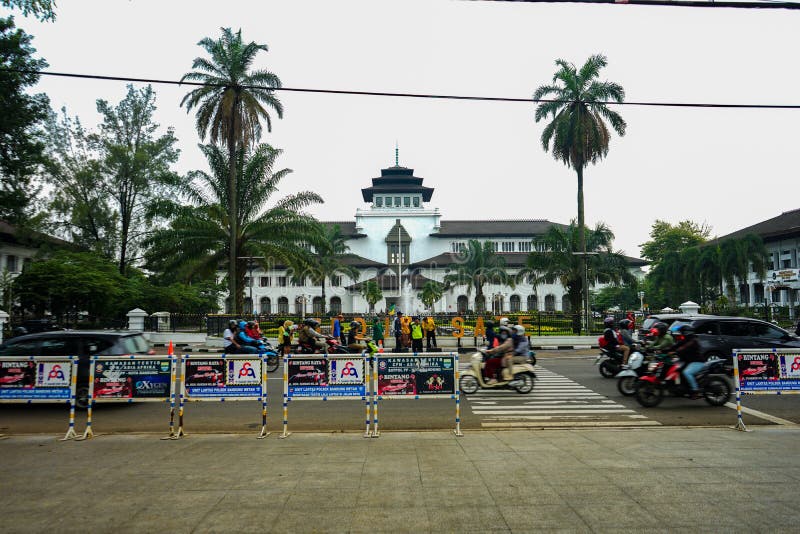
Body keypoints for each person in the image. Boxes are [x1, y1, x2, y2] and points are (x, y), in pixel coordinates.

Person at [669, 324, 704, 398]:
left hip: (697, 362)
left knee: (687, 373)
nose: (680, 334)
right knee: (676, 369)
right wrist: (665, 350)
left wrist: (676, 352)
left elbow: (684, 348)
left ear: (686, 333)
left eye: (681, 332)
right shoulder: (685, 340)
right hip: (688, 361)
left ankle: (695, 390)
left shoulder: (693, 341)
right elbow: (676, 346)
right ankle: (681, 387)